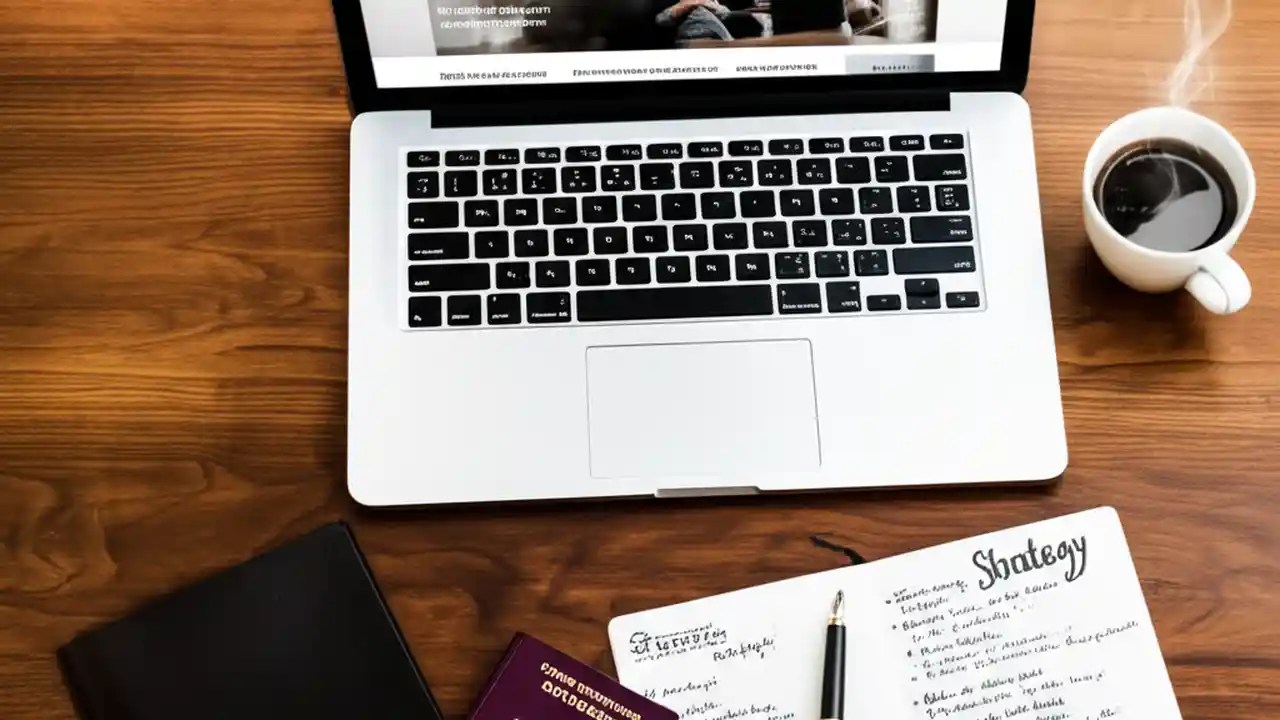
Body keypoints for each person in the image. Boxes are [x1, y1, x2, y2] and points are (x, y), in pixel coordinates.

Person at [656, 0, 735, 42]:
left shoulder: (711, 4)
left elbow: (727, 14)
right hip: (690, 40)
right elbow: (660, 19)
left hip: (718, 39)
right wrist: (682, 8)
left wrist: (707, 4)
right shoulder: (680, 6)